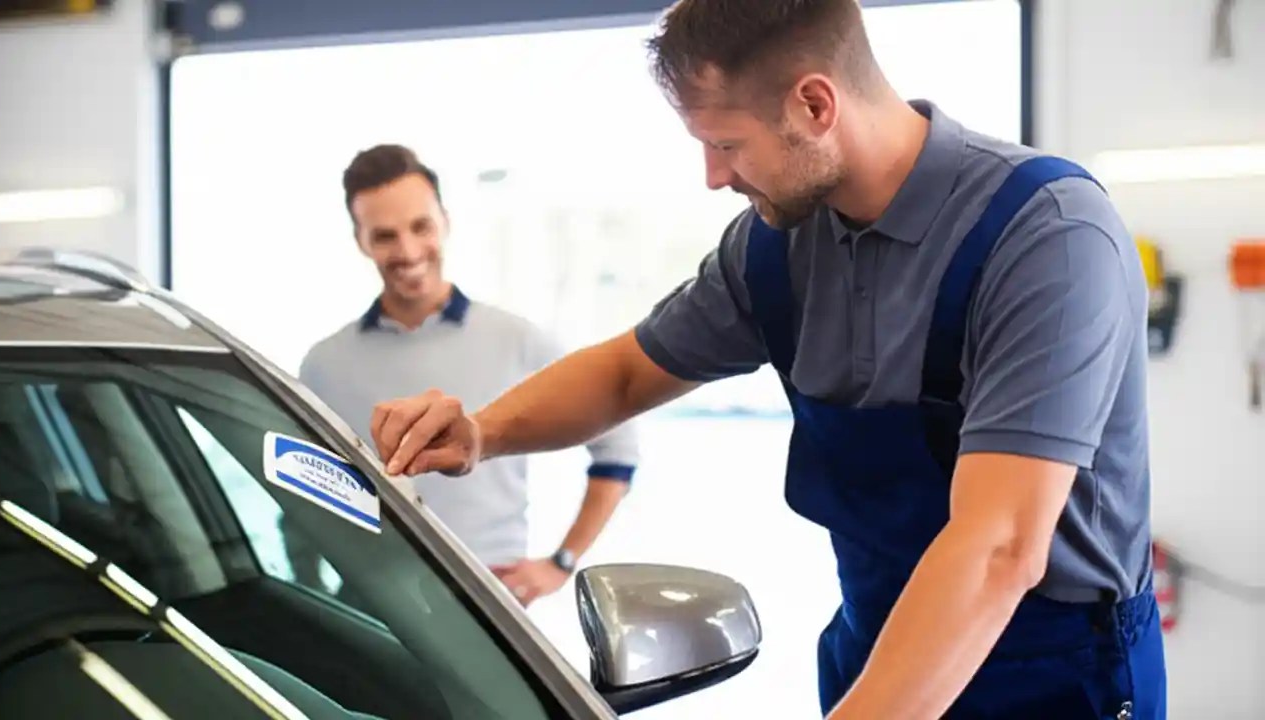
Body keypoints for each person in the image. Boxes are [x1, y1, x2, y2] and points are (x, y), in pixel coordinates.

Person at [367, 1, 1167, 717]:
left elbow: (998, 547)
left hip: (1052, 678)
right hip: (878, 656)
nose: (714, 177)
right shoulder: (776, 246)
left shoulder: (1048, 237)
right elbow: (627, 370)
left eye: (725, 144)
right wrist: (481, 433)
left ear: (815, 104)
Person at [298, 144, 641, 608]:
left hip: (487, 609)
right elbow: (301, 501)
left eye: (421, 227)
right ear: (360, 240)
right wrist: (311, 597)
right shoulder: (323, 365)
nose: (408, 250)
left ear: (445, 221)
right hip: (366, 610)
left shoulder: (518, 339)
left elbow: (617, 445)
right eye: (384, 235)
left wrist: (561, 562)